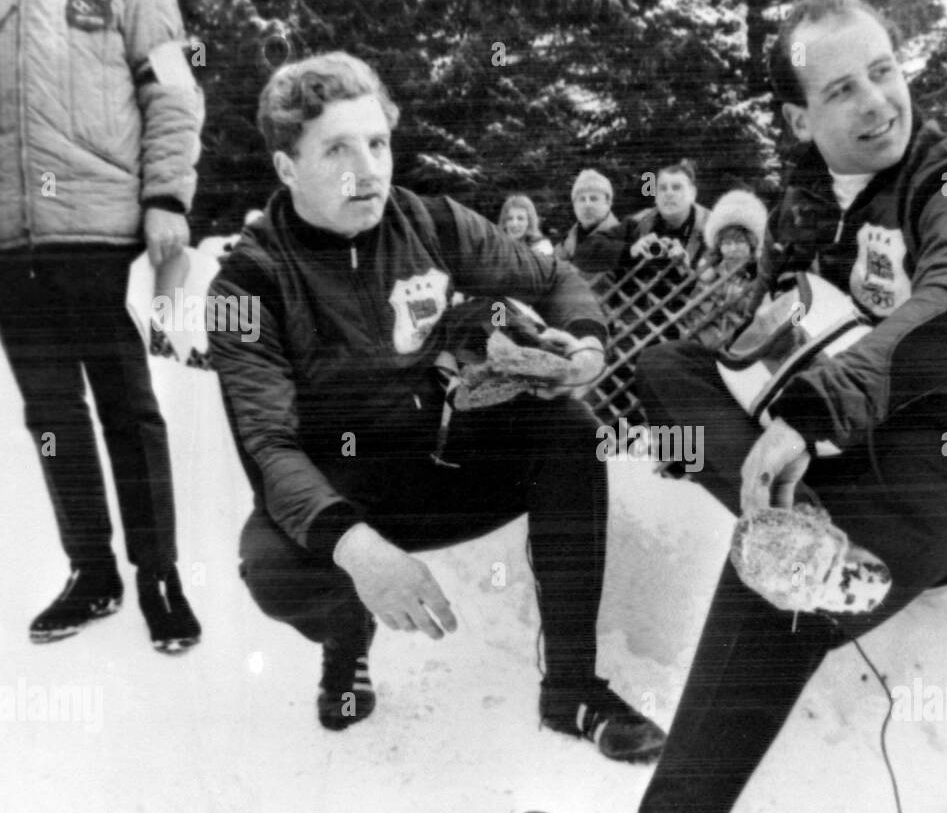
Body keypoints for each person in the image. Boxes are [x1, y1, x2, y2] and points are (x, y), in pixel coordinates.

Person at [514, 0, 947, 813]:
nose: (877, 101)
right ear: (800, 116)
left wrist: (812, 411)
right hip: (847, 449)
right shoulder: (806, 197)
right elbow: (785, 331)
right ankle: (818, 549)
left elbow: (944, 312)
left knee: (774, 557)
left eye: (884, 72)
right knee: (677, 366)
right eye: (842, 91)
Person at [205, 52, 665, 758]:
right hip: (337, 488)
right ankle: (345, 634)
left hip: (436, 458)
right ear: (287, 167)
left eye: (378, 143)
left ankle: (571, 688)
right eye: (335, 148)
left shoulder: (430, 222)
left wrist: (586, 340)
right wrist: (360, 553)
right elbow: (269, 450)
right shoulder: (244, 285)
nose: (368, 170)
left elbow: (554, 275)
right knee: (269, 565)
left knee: (570, 431)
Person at [0, 0, 203, 653]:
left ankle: (160, 576)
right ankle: (92, 571)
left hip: (101, 227)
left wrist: (168, 196)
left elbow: (171, 81)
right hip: (8, 240)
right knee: (51, 413)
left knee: (128, 407)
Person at [690, 189, 768, 349]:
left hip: (736, 345)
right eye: (726, 243)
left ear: (751, 244)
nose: (732, 249)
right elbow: (694, 306)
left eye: (739, 242)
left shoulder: (757, 277)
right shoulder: (711, 272)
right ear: (719, 246)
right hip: (702, 337)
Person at [624, 160, 711, 270]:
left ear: (692, 193)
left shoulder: (713, 227)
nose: (669, 194)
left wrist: (686, 266)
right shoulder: (638, 221)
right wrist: (629, 252)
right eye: (663, 188)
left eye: (676, 187)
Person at [553, 170, 625, 276]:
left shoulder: (620, 240)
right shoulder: (566, 243)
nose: (587, 205)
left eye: (593, 198)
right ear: (574, 206)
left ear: (608, 203)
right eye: (582, 199)